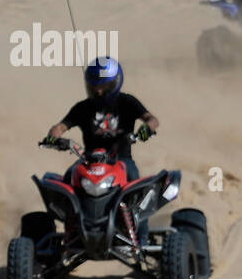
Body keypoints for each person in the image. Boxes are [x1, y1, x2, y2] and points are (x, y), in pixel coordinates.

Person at [41, 57, 160, 242]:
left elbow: (152, 119)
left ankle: (141, 238)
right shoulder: (83, 107)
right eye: (94, 86)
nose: (98, 90)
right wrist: (53, 137)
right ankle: (71, 231)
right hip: (88, 161)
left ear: (115, 83)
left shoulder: (127, 102)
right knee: (67, 179)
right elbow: (60, 127)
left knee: (138, 190)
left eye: (104, 86)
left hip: (121, 160)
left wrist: (146, 129)